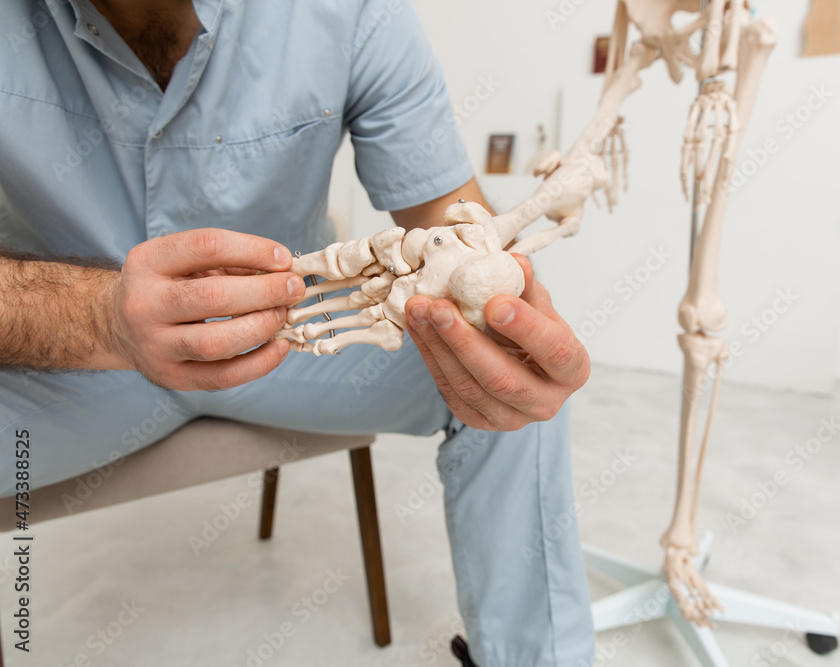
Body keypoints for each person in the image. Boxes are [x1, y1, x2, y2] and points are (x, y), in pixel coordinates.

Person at [0, 1, 596, 665]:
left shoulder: (353, 13)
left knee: (509, 372)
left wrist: (500, 310)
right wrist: (95, 315)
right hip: (61, 357)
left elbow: (448, 217)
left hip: (297, 338)